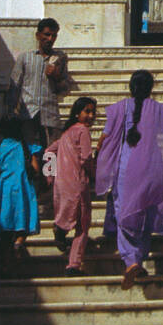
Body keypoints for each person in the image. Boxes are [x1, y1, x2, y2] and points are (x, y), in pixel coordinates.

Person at [94, 71, 163, 289]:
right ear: (152, 87)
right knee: (146, 212)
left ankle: (131, 260)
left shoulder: (120, 108)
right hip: (152, 169)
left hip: (127, 168)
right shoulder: (160, 109)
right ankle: (139, 260)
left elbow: (105, 139)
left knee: (125, 213)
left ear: (130, 86)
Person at [0, 114, 43, 271]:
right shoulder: (27, 148)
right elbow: (36, 170)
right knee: (23, 222)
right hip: (23, 188)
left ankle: (6, 265)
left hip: (5, 189)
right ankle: (19, 242)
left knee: (5, 230)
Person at [44, 96, 97, 275]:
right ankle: (73, 263)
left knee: (72, 216)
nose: (91, 116)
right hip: (78, 183)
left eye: (93, 112)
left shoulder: (66, 134)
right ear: (77, 114)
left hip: (61, 184)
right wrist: (94, 174)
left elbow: (48, 151)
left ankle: (61, 228)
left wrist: (49, 175)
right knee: (83, 224)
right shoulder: (82, 131)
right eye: (87, 111)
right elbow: (87, 157)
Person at [6, 17, 72, 149]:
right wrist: (11, 112)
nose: (50, 39)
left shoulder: (60, 58)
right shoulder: (25, 57)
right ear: (38, 35)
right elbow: (14, 86)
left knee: (50, 156)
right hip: (28, 114)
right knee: (28, 154)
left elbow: (65, 88)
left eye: (54, 36)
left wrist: (56, 76)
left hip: (50, 115)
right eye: (47, 34)